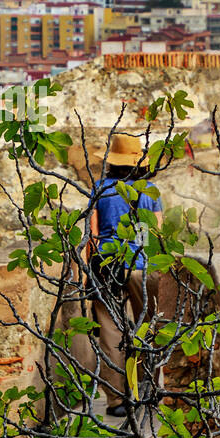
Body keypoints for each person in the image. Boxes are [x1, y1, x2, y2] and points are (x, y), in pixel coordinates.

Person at [84, 134, 163, 418]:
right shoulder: (150, 190)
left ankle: (117, 400)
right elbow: (154, 234)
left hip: (107, 264)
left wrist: (93, 268)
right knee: (148, 330)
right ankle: (148, 390)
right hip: (142, 266)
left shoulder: (100, 189)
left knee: (110, 331)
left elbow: (92, 235)